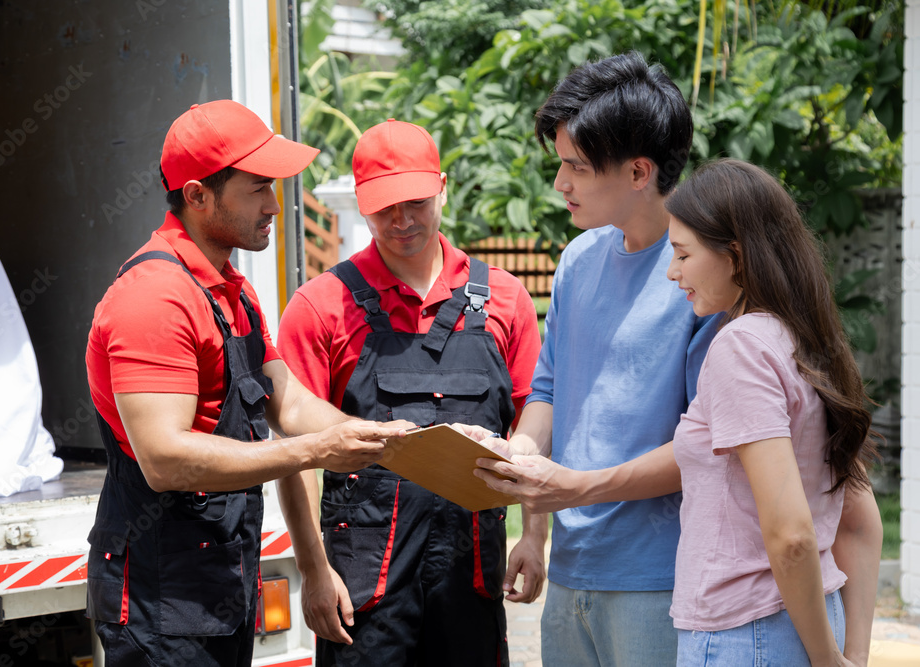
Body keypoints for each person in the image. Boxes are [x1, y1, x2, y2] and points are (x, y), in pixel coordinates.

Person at [481, 159, 882, 666]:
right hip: (788, 625)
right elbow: (859, 519)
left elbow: (793, 536)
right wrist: (851, 654)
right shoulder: (801, 340)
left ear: (735, 255)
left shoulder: (741, 348)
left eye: (684, 254)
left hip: (745, 633)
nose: (672, 272)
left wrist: (825, 658)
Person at [84, 100, 412, 667]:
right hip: (158, 601)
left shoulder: (234, 292)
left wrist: (394, 438)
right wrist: (316, 451)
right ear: (197, 195)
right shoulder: (154, 298)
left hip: (218, 587)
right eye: (258, 188)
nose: (274, 205)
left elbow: (290, 403)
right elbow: (164, 459)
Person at [465, 51, 718, 665]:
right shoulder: (578, 260)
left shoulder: (705, 274)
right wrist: (521, 459)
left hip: (660, 579)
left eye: (576, 167)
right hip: (571, 569)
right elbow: (550, 390)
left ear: (638, 172)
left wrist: (575, 488)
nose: (560, 183)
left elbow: (709, 443)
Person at [276, 119, 548, 666]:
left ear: (442, 188)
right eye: (384, 208)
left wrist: (534, 537)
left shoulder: (505, 298)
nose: (402, 221)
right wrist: (312, 567)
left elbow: (534, 418)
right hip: (363, 587)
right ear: (361, 202)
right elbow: (295, 452)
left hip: (473, 572)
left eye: (416, 203)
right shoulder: (320, 305)